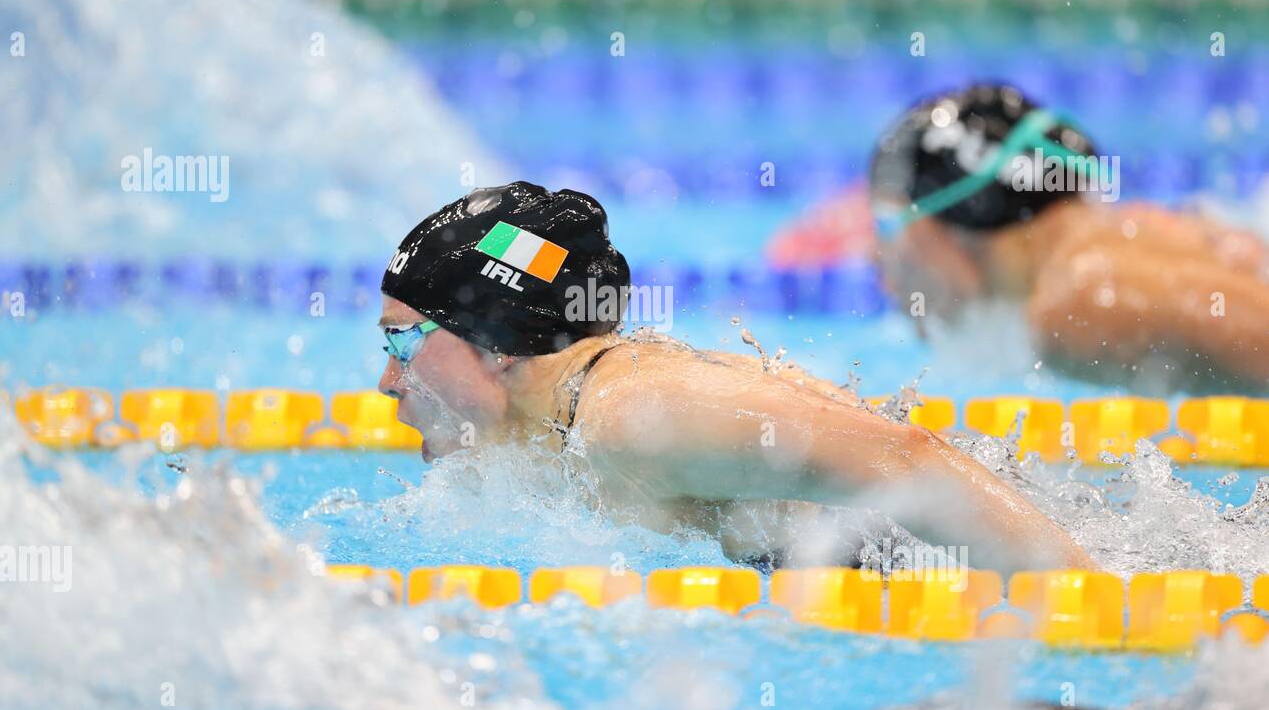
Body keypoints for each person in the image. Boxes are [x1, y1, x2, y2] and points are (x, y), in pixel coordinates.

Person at [375, 180, 1095, 572]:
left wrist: (1092, 608)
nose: (387, 381)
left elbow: (906, 461)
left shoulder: (628, 413)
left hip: (1057, 563)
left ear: (497, 340)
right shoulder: (560, 424)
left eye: (402, 343)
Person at [867, 83, 1269, 390]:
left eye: (888, 223)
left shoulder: (1085, 295)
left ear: (958, 209)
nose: (878, 259)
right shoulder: (1139, 230)